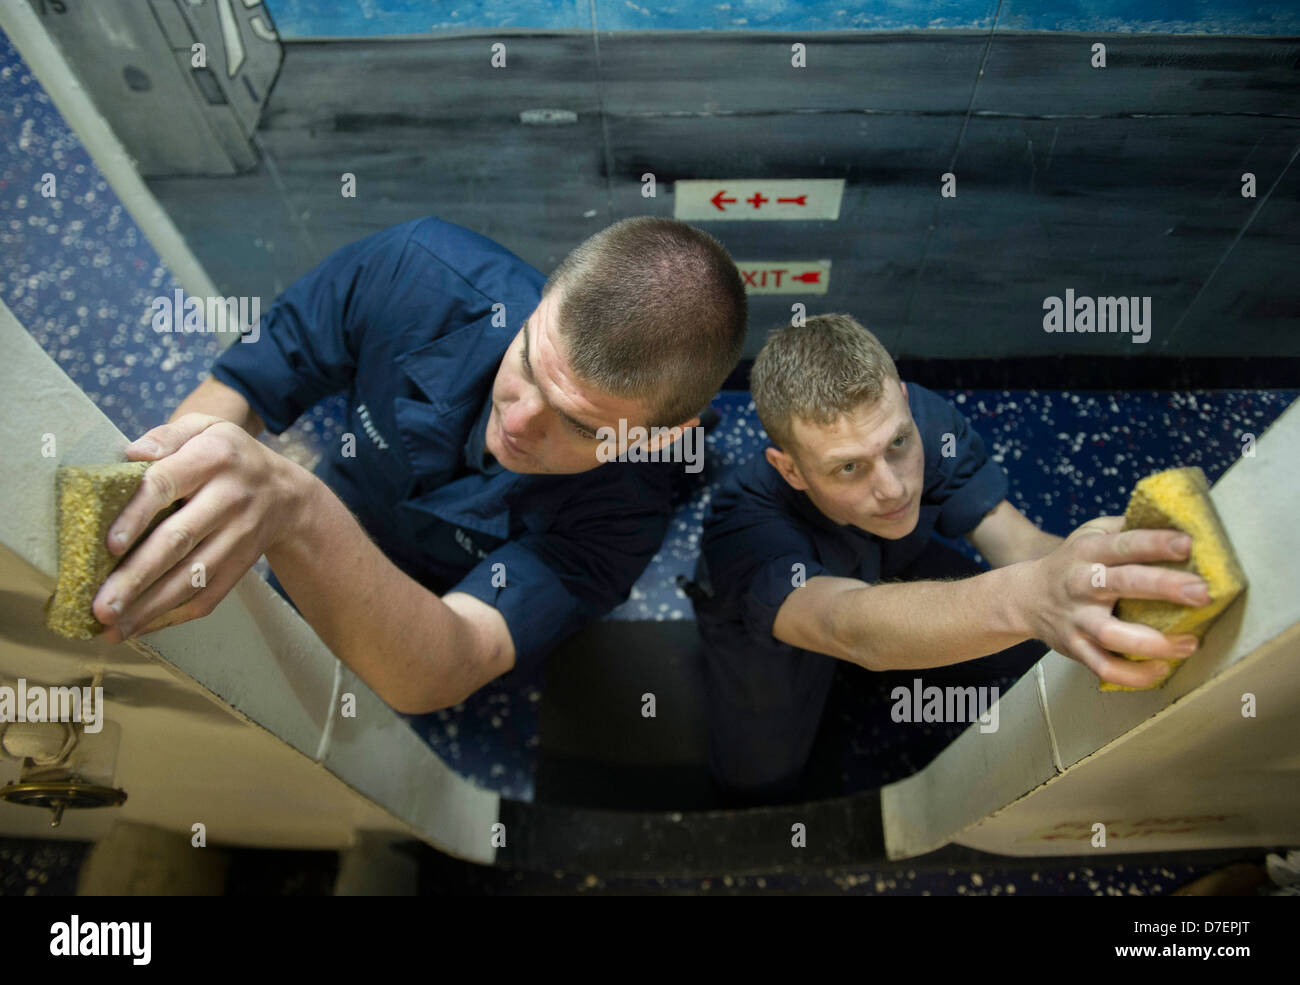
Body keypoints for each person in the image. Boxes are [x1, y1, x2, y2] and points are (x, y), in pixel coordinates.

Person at [90, 216, 747, 714]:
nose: (515, 423)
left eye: (578, 423)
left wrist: (297, 509)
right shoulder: (414, 270)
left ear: (661, 438)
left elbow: (446, 664)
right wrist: (164, 508)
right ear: (544, 301)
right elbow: (250, 378)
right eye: (529, 365)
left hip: (449, 593)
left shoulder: (627, 508)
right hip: (352, 507)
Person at [688, 313, 1212, 803]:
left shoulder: (921, 419)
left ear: (903, 401)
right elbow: (844, 626)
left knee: (1038, 638)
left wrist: (1095, 567)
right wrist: (1026, 600)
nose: (893, 489)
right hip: (780, 625)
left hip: (888, 560)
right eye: (848, 469)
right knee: (760, 773)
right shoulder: (747, 526)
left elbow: (1021, 545)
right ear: (792, 471)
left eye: (897, 443)